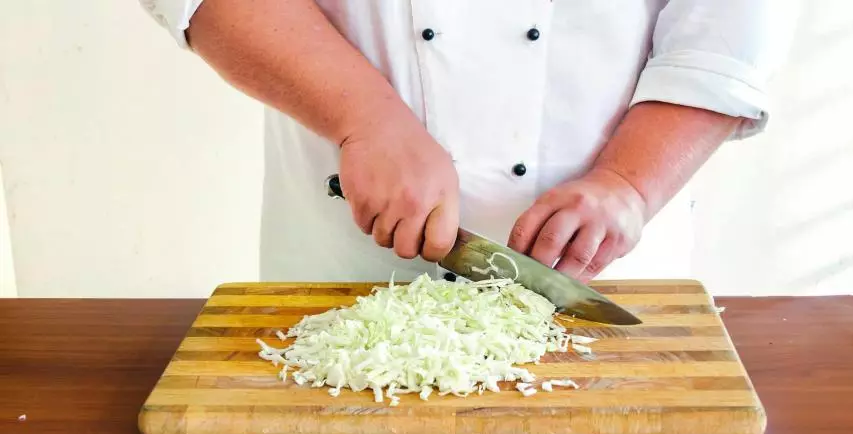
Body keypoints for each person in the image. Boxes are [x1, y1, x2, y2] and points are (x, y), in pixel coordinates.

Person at [140, 0, 796, 283]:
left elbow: (732, 23)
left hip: (607, 268)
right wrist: (367, 120)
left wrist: (628, 184)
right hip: (346, 262)